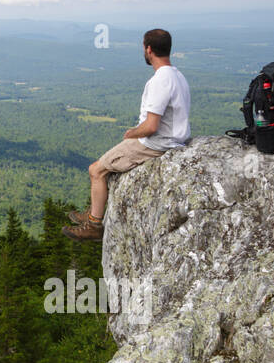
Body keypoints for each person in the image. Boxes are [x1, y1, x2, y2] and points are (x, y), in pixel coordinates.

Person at [63, 28, 190, 241]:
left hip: (155, 144)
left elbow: (151, 126)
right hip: (173, 139)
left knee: (96, 170)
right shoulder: (178, 75)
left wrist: (132, 133)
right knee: (102, 169)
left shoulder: (160, 80)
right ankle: (94, 210)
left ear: (148, 49)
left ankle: (94, 224)